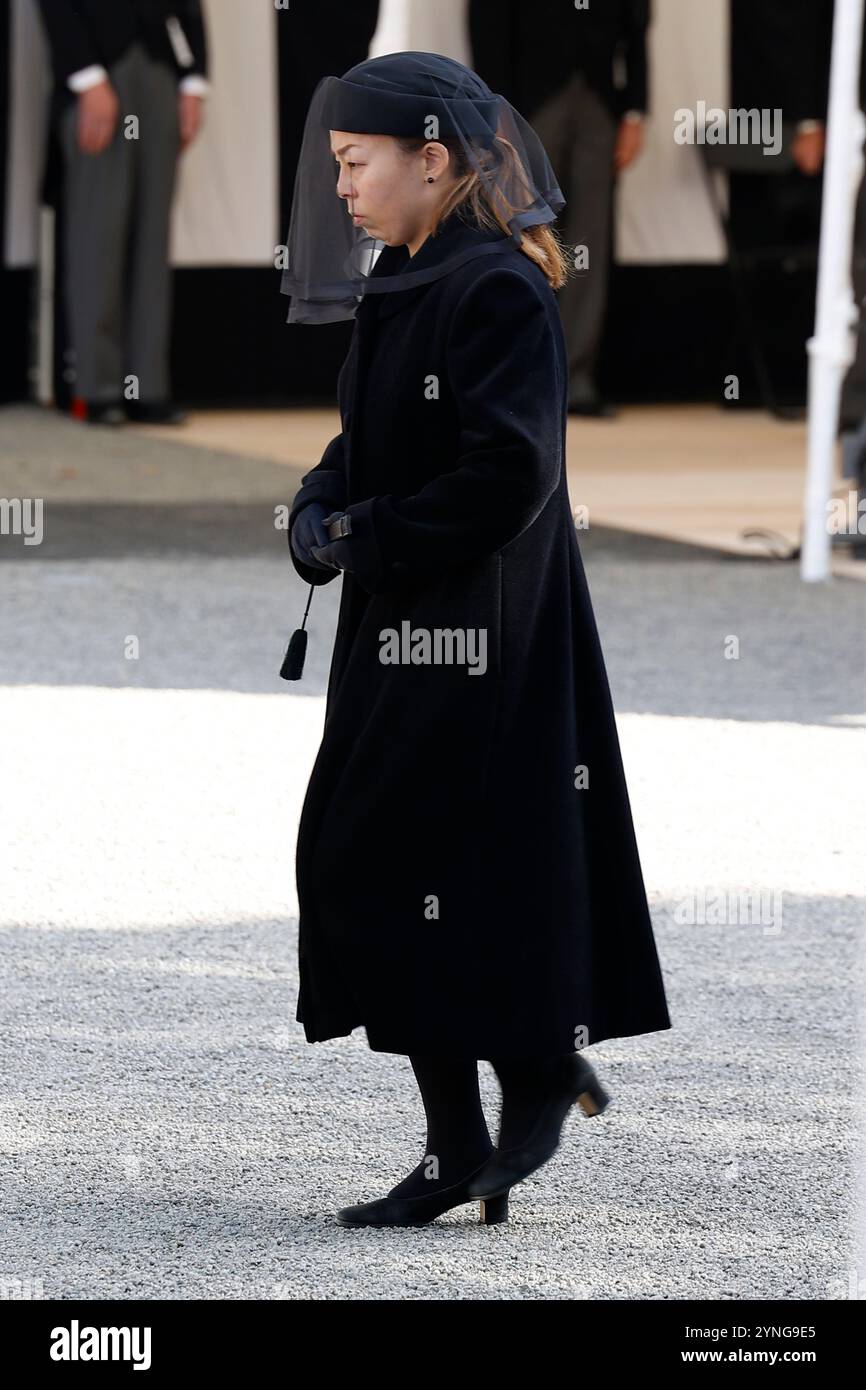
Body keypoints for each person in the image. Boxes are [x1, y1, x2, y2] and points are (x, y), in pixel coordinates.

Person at [281, 52, 671, 1228]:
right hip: (401, 622)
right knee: (378, 862)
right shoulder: (406, 276)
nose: (340, 187)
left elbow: (508, 476)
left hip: (474, 639)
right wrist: (317, 502)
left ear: (430, 160)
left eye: (356, 165)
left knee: (418, 865)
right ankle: (477, 1124)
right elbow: (369, 438)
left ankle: (519, 1085)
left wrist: (365, 526)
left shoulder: (496, 289)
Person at [469, 0, 651, 416]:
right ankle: (516, 373)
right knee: (519, 234)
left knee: (590, 238)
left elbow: (637, 24)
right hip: (528, 102)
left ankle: (576, 376)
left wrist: (636, 110)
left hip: (600, 99)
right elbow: (488, 18)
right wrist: (491, 108)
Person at [36, 0, 208, 426]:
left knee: (152, 239)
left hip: (159, 70)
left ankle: (146, 387)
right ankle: (97, 389)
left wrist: (193, 81)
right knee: (99, 233)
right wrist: (87, 77)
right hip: (98, 74)